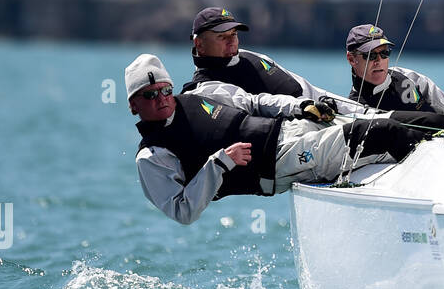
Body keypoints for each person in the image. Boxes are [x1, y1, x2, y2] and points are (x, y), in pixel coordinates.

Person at [126, 53, 424, 225]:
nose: (162, 99)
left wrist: (301, 106)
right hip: (278, 165)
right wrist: (218, 164)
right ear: (133, 105)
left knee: (414, 121)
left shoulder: (201, 94)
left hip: (292, 128)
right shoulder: (152, 156)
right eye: (150, 95)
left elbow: (256, 102)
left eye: (165, 90)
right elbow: (182, 211)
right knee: (384, 135)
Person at [184, 7, 351, 108]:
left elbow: (310, 92)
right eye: (222, 37)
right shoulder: (200, 89)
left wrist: (362, 112)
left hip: (315, 123)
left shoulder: (251, 58)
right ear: (199, 44)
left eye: (233, 34)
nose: (231, 42)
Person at [345, 24, 444, 130]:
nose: (379, 61)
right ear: (351, 59)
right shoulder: (354, 110)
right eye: (370, 55)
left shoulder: (408, 77)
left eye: (384, 53)